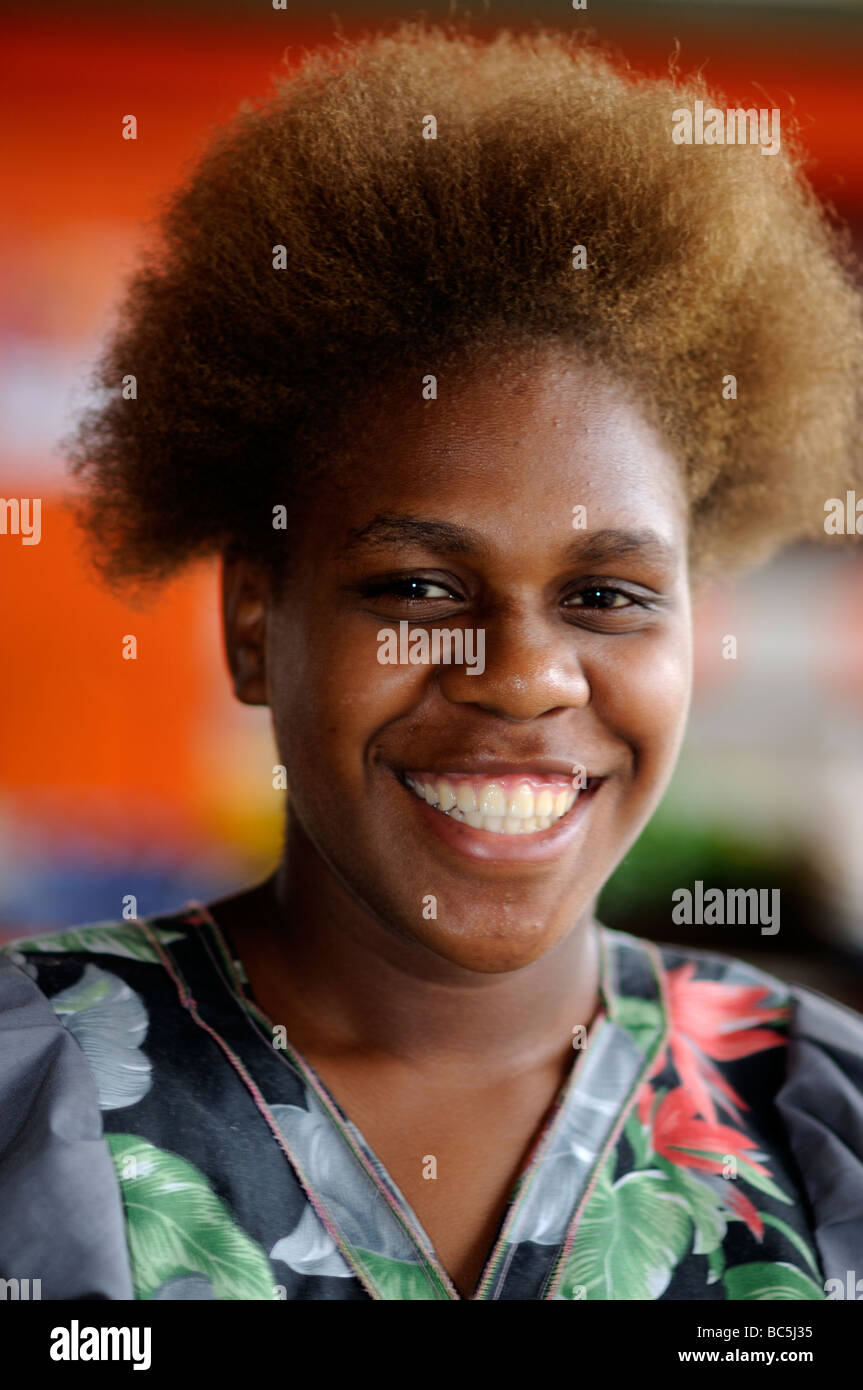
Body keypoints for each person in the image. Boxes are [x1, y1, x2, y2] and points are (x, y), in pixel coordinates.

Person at [2, 22, 862, 1303]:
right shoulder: (30, 1089)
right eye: (416, 586)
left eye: (607, 595)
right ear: (254, 621)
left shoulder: (817, 1118)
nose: (522, 676)